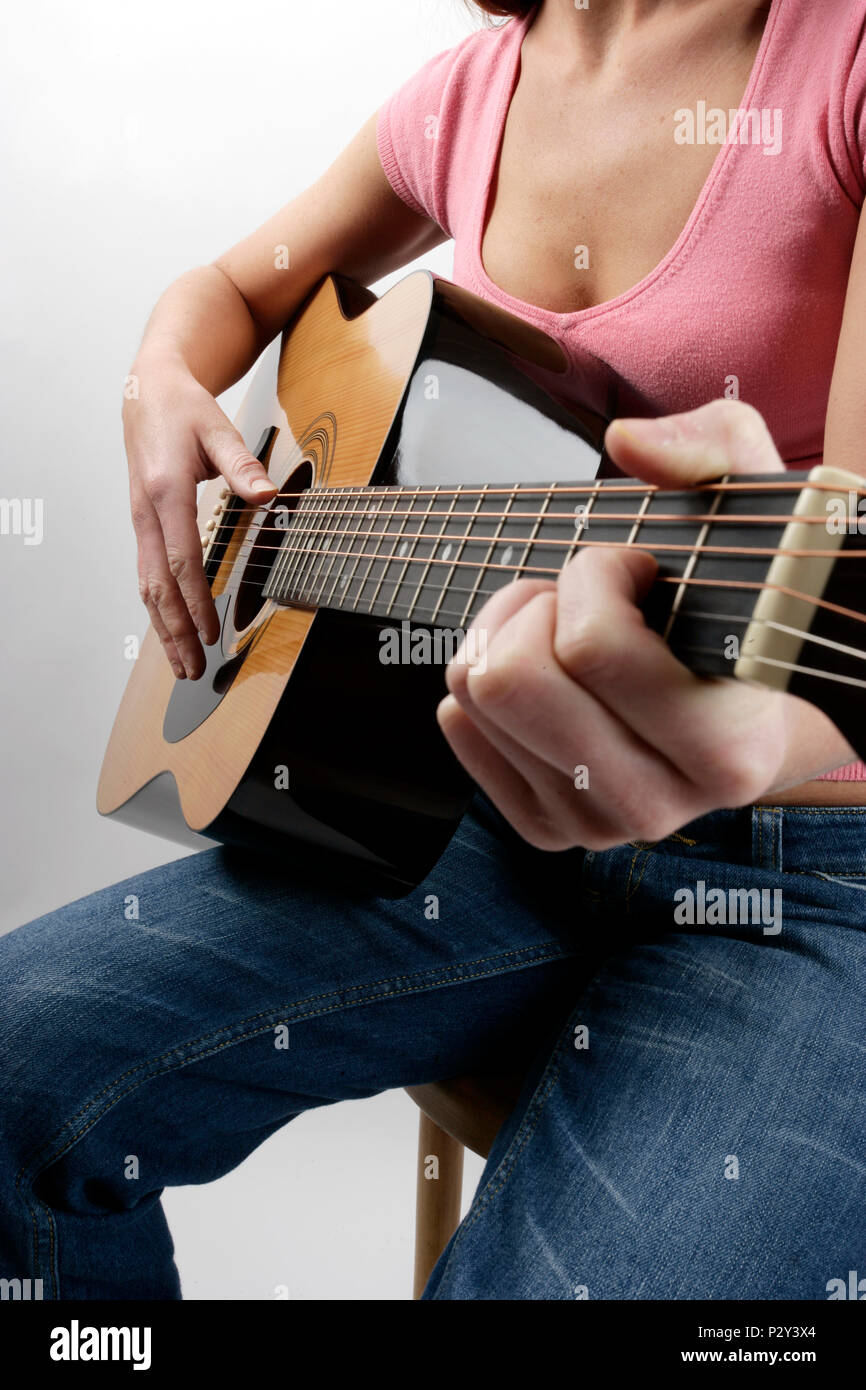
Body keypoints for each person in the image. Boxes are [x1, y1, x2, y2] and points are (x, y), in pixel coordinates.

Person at [2, 0, 865, 1300]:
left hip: (809, 869)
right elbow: (232, 287)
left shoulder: (842, 55)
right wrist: (162, 388)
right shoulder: (466, 96)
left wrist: (763, 736)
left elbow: (839, 550)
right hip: (485, 804)